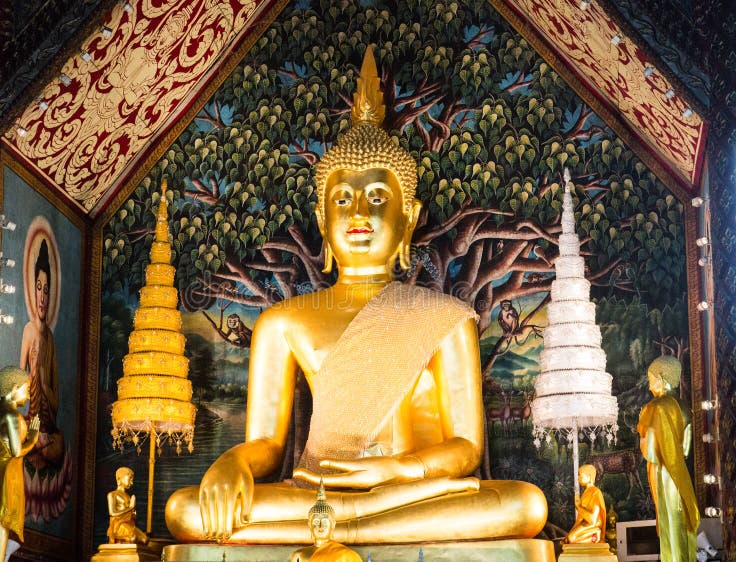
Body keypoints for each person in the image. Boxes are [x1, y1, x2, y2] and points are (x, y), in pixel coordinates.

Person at [165, 46, 547, 545]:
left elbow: (466, 448)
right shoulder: (282, 323)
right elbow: (265, 442)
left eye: (377, 198)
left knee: (525, 504)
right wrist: (232, 462)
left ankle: (349, 528)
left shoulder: (447, 317)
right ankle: (355, 527)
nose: (359, 214)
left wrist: (391, 474)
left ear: (409, 218)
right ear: (323, 221)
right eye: (342, 199)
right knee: (186, 511)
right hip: (314, 493)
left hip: (408, 492)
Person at [637, 355, 699, 561]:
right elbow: (687, 449)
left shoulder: (657, 407)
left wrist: (643, 430)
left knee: (670, 524)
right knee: (682, 523)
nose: (649, 386)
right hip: (681, 472)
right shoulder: (683, 407)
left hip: (664, 472)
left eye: (651, 379)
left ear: (662, 379)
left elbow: (651, 451)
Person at [0, 366, 40, 562]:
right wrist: (32, 439)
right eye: (26, 389)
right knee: (1, 527)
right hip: (7, 477)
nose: (29, 397)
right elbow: (16, 452)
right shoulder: (12, 415)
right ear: (15, 388)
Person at [20, 239, 64, 468]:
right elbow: (19, 376)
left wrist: (47, 389)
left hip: (48, 419)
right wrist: (33, 382)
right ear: (31, 288)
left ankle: (41, 443)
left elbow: (56, 391)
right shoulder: (29, 330)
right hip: (33, 413)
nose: (43, 297)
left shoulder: (51, 338)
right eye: (39, 288)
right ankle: (37, 443)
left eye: (47, 290)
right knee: (29, 434)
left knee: (59, 446)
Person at [289, 480, 362, 562]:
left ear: (333, 525)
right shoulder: (299, 555)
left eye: (324, 522)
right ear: (309, 525)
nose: (320, 526)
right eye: (316, 522)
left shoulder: (344, 555)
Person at [106, 467, 148, 545]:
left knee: (145, 540)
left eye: (132, 480)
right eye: (130, 479)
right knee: (133, 538)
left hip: (128, 524)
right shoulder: (112, 494)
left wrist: (133, 515)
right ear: (119, 478)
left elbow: (130, 515)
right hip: (118, 525)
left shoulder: (128, 496)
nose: (132, 483)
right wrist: (131, 507)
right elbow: (112, 513)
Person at [565, 464, 606, 544]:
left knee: (571, 538)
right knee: (569, 539)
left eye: (580, 475)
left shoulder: (595, 492)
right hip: (586, 524)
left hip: (593, 524)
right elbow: (581, 519)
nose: (578, 478)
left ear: (589, 477)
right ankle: (592, 536)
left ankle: (595, 536)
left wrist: (578, 506)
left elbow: (592, 519)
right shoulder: (585, 493)